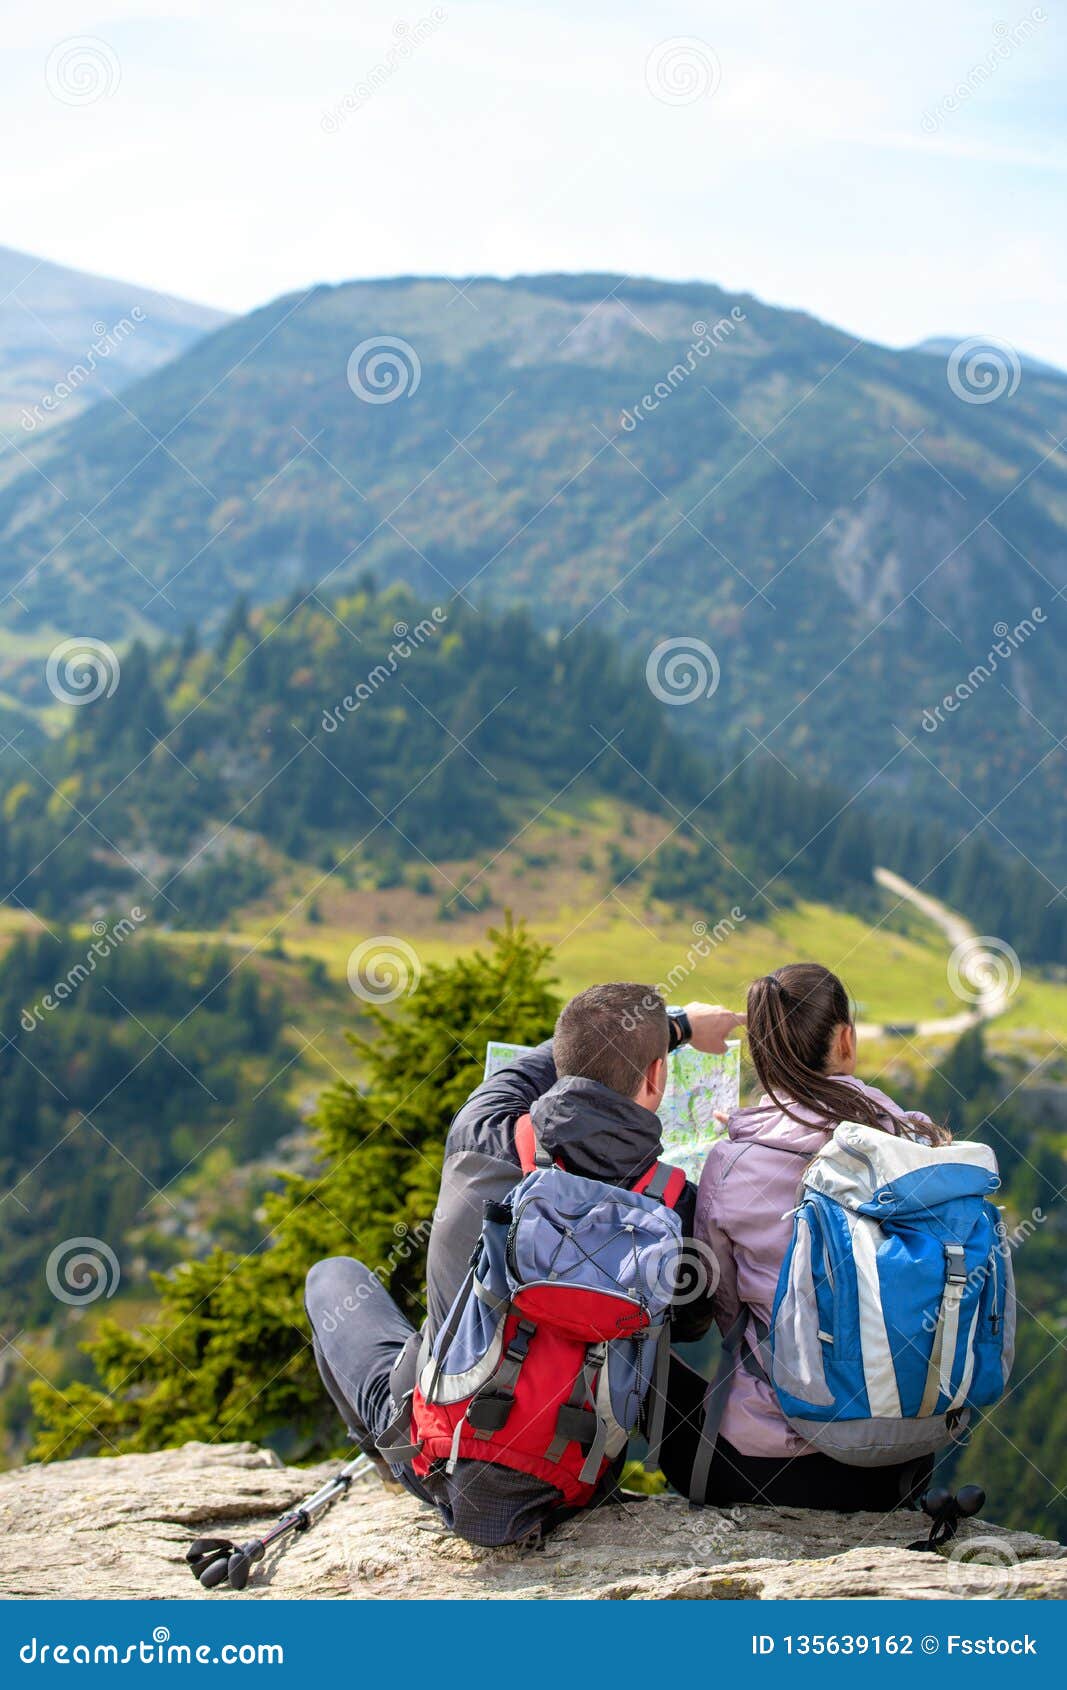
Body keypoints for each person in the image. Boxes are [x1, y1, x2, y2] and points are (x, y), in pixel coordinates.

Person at [305, 983, 744, 1546]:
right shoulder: (674, 1203)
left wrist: (679, 1024)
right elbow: (691, 1326)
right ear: (657, 1077)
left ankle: (391, 1459)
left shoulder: (481, 1132)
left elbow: (528, 1071)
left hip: (440, 1459)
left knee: (333, 1277)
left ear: (562, 1068)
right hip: (580, 1476)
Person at [657, 961, 948, 1511]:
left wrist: (733, 1159)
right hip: (900, 1463)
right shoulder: (916, 1142)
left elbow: (721, 1312)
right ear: (845, 1040)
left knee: (644, 1359)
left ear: (762, 1058)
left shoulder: (730, 1162)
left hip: (767, 1471)